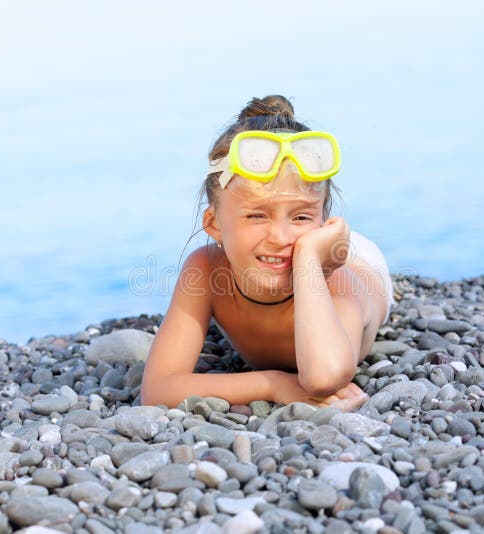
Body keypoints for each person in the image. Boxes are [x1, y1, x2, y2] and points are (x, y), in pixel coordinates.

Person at [141, 95, 393, 411]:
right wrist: (274, 383)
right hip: (301, 250)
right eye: (257, 216)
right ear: (214, 224)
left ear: (321, 221)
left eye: (301, 215)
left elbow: (324, 376)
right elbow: (158, 388)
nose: (280, 236)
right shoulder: (206, 268)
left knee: (321, 258)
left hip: (358, 264)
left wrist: (309, 259)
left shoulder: (333, 279)